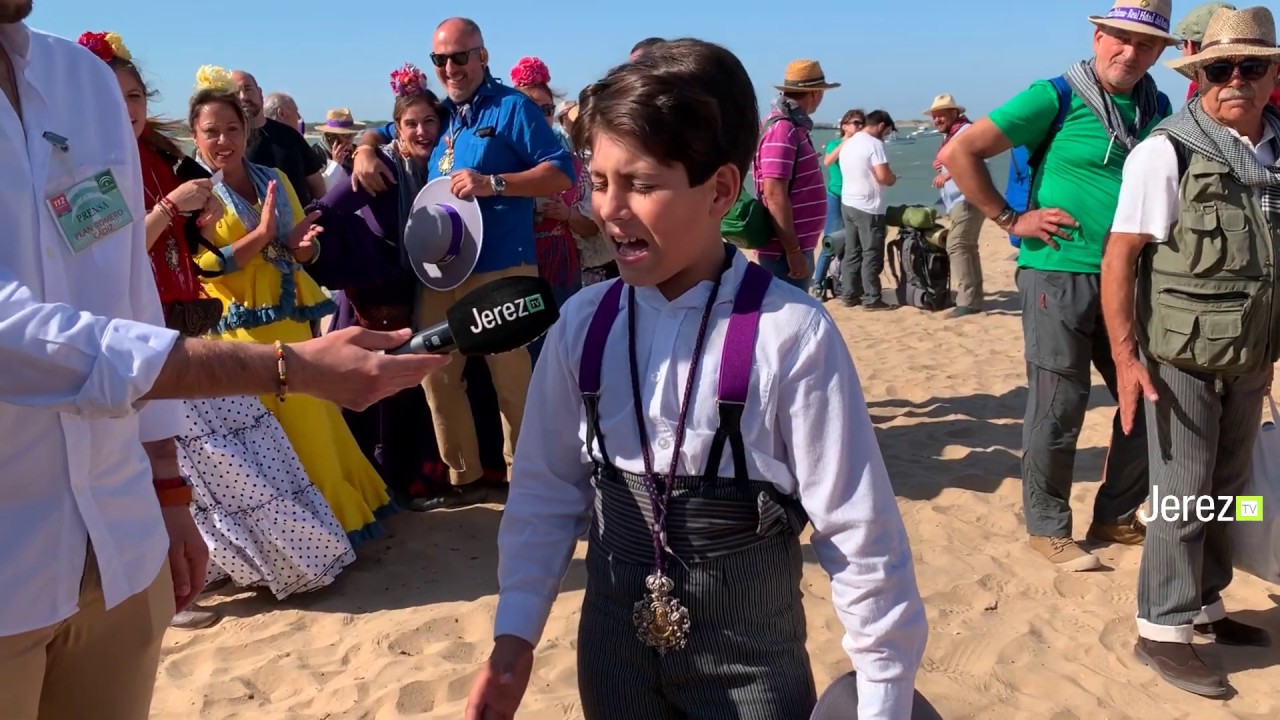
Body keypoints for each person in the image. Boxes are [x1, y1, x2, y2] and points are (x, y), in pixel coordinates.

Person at [0, 9, 446, 719]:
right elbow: (17, 339)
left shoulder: (78, 82)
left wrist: (168, 488)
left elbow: (123, 290)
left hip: (120, 547)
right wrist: (284, 366)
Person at [466, 38, 926, 720]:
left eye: (642, 184)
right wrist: (515, 637)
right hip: (612, 660)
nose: (610, 209)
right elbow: (544, 492)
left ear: (720, 189)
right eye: (598, 181)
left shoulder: (789, 335)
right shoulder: (582, 326)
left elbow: (860, 537)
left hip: (749, 671)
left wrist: (884, 696)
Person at [94, 31, 359, 630]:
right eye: (112, 96)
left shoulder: (162, 160)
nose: (128, 107)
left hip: (184, 322)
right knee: (172, 459)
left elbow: (198, 257)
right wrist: (178, 215)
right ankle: (172, 583)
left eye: (135, 95)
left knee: (228, 453)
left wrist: (240, 233)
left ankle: (236, 566)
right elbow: (106, 260)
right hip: (132, 331)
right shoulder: (92, 169)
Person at [940, 0, 1178, 570]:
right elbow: (960, 152)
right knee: (1059, 403)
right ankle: (1048, 526)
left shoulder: (1158, 106)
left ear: (1160, 53)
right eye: (1119, 38)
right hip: (1059, 271)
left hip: (1132, 276)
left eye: (1145, 44)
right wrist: (1009, 218)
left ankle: (1115, 515)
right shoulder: (1055, 95)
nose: (1130, 52)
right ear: (1097, 36)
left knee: (1144, 399)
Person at [1102, 5, 1279, 697]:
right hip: (1180, 355)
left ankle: (1208, 603)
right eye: (1218, 68)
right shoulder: (1165, 151)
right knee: (1181, 496)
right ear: (1199, 74)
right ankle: (1162, 629)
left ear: (1272, 74)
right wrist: (1124, 357)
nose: (1234, 79)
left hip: (1252, 353)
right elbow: (1120, 257)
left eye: (1251, 66)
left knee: (1234, 494)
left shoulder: (1277, 148)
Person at [349, 17, 576, 509]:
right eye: (440, 60)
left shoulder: (513, 107)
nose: (450, 67)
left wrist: (495, 183)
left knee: (513, 383)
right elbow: (385, 127)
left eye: (459, 56)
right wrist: (366, 150)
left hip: (502, 267)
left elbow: (561, 171)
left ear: (482, 56)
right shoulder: (440, 114)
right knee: (435, 374)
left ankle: (531, 484)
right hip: (443, 271)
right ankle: (464, 479)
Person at [186, 66, 398, 544]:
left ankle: (334, 527)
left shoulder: (274, 178)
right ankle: (287, 543)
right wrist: (263, 237)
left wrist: (304, 248)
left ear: (248, 129)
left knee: (314, 425)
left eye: (232, 129)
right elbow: (204, 266)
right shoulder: (193, 195)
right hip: (237, 334)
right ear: (195, 137)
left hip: (291, 323)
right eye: (211, 132)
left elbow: (299, 248)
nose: (223, 141)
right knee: (264, 445)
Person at [751, 60, 835, 291]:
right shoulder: (783, 129)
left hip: (791, 247)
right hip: (784, 251)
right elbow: (774, 193)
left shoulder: (791, 126)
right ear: (815, 93)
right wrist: (793, 251)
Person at [926, 93, 985, 316]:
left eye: (941, 115)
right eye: (934, 116)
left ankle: (967, 301)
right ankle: (973, 299)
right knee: (967, 246)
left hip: (968, 196)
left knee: (957, 244)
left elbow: (977, 157)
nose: (937, 120)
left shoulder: (965, 131)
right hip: (959, 199)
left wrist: (948, 174)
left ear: (955, 113)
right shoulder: (952, 135)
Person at [231, 70, 327, 206]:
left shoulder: (291, 136)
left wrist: (319, 219)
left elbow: (318, 188)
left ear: (259, 92)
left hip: (303, 225)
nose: (243, 96)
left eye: (248, 89)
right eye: (235, 93)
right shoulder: (229, 145)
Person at [838, 109, 897, 310]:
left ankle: (849, 293)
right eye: (887, 132)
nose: (886, 136)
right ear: (881, 126)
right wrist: (893, 178)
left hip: (848, 201)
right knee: (871, 252)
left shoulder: (849, 143)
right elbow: (883, 176)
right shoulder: (875, 144)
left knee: (852, 251)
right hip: (868, 206)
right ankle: (872, 297)